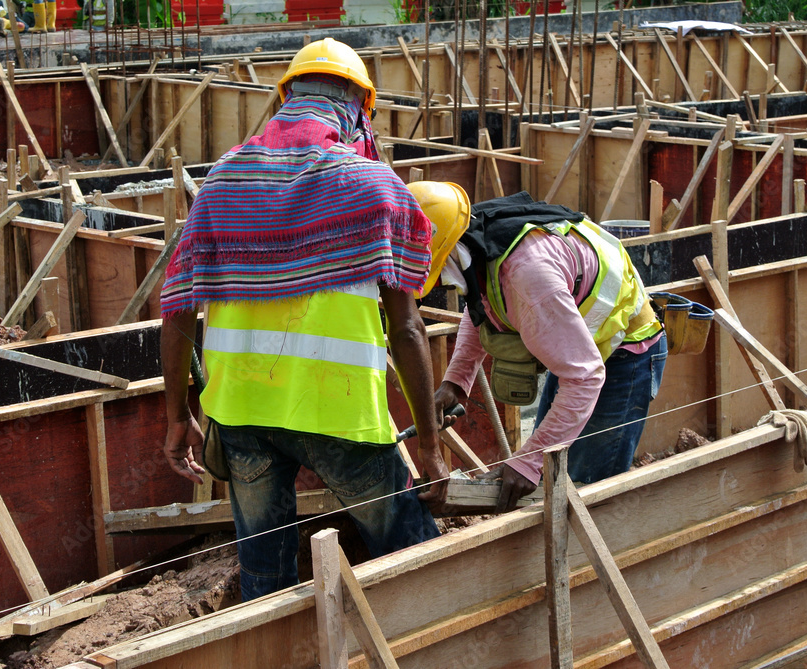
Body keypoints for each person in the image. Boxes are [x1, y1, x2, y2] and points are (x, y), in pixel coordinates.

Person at [159, 38, 448, 602]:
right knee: (410, 557)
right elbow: (408, 329)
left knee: (264, 577)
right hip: (338, 410)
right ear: (360, 108)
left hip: (241, 413)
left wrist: (177, 417)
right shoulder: (372, 188)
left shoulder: (222, 183)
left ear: (285, 99)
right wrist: (432, 447)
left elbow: (176, 310)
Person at [420, 188, 667, 513]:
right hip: (576, 346)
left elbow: (585, 377)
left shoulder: (528, 278)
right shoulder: (479, 243)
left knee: (587, 492)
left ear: (448, 252)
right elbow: (480, 303)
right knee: (550, 476)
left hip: (625, 352)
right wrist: (456, 381)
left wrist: (530, 460)